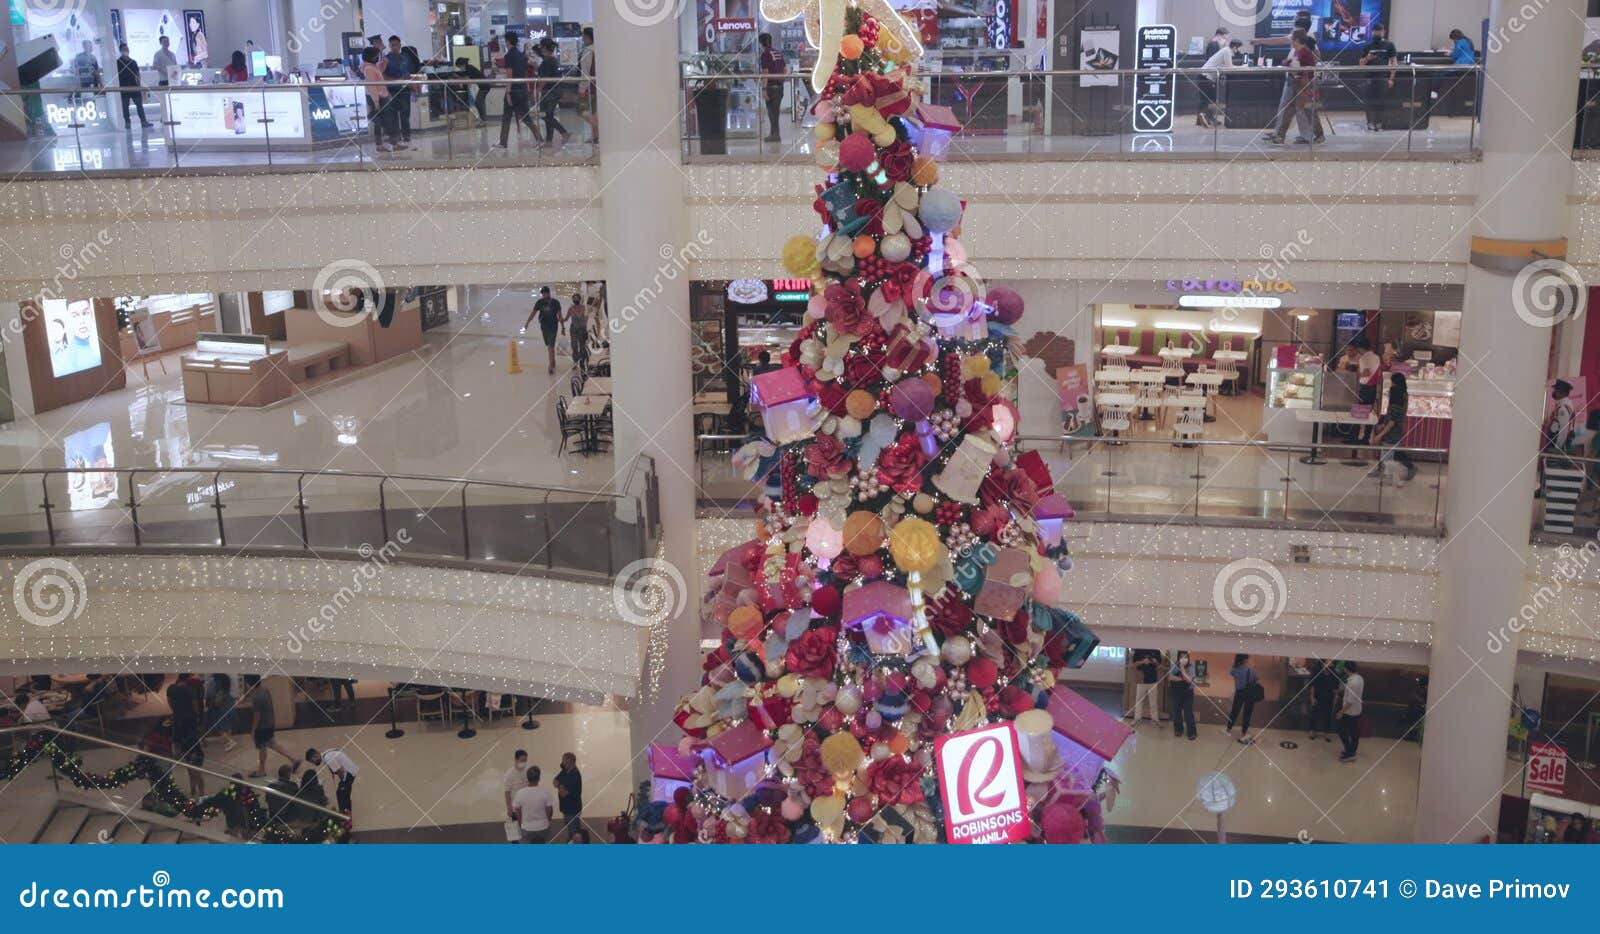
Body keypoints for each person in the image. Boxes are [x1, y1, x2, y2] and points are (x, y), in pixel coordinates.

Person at [1267, 30, 1321, 145]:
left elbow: (1300, 68)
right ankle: (1281, 136)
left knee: (1308, 111)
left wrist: (1289, 64)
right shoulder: (1300, 52)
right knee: (1292, 110)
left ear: (1296, 40)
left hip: (1305, 88)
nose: (1290, 41)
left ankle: (1319, 135)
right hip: (1298, 87)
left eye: (1291, 38)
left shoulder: (1304, 52)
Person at [243, 674, 299, 777]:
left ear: (249, 683)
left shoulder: (256, 697)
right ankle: (293, 759)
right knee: (273, 744)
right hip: (270, 722)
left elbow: (257, 716)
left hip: (262, 726)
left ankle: (261, 770)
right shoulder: (265, 690)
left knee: (262, 747)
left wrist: (253, 730)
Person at [497, 32, 543, 149]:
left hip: (513, 91)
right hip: (522, 88)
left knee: (508, 116)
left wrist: (508, 93)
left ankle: (504, 142)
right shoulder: (521, 55)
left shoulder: (509, 56)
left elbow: (510, 75)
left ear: (507, 41)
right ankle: (503, 142)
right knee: (524, 116)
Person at [1371, 371, 1416, 484]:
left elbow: (1391, 423)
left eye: (1392, 384)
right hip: (1398, 431)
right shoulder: (1404, 396)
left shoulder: (1395, 404)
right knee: (1389, 453)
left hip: (1392, 433)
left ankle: (1394, 475)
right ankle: (1385, 474)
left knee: (1388, 457)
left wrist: (1379, 435)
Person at [166, 673, 205, 796]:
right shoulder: (189, 690)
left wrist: (176, 712)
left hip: (179, 725)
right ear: (186, 679)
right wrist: (198, 717)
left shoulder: (171, 689)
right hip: (190, 727)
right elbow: (195, 706)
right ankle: (201, 792)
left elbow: (170, 703)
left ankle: (193, 789)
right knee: (196, 767)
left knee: (189, 765)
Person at [360, 47, 403, 153]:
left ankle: (387, 144)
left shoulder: (371, 66)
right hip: (379, 97)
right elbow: (372, 86)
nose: (377, 57)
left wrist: (383, 60)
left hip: (381, 96)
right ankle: (388, 144)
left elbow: (379, 70)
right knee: (386, 120)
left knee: (383, 120)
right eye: (376, 55)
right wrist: (376, 101)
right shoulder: (369, 68)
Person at [1359, 23, 1397, 131]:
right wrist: (1367, 58)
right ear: (1372, 32)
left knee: (1382, 101)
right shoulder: (1367, 46)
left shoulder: (1389, 45)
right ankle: (1370, 122)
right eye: (1375, 31)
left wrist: (1391, 78)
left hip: (1383, 77)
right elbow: (1361, 64)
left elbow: (1394, 62)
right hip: (1369, 77)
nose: (1378, 33)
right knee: (1369, 101)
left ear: (1383, 32)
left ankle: (1379, 122)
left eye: (1380, 31)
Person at [1199, 38, 1241, 128]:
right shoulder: (1227, 51)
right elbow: (1230, 67)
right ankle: (1205, 117)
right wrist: (1243, 67)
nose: (1238, 50)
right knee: (1210, 99)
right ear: (1235, 47)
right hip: (1206, 77)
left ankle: (1208, 118)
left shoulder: (1225, 50)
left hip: (1205, 76)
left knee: (1209, 99)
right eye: (1238, 48)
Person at [535, 38, 570, 146]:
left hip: (549, 92)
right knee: (547, 115)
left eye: (541, 46)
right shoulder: (552, 60)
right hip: (554, 91)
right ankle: (549, 140)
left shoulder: (547, 61)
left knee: (546, 115)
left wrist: (537, 91)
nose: (540, 49)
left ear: (544, 47)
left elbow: (544, 79)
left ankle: (563, 133)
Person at [306, 747, 358, 818]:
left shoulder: (327, 758)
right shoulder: (326, 753)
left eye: (313, 761)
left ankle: (346, 815)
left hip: (349, 773)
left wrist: (342, 782)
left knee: (342, 794)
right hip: (351, 769)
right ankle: (346, 812)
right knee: (342, 793)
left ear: (315, 755)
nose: (314, 763)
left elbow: (340, 771)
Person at [523, 286, 564, 373]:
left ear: (549, 293)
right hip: (544, 326)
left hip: (553, 326)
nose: (544, 294)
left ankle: (550, 365)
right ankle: (553, 361)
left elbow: (560, 316)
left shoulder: (555, 302)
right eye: (543, 293)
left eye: (545, 293)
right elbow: (533, 313)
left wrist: (563, 327)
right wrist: (527, 322)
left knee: (550, 345)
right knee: (548, 344)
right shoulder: (539, 302)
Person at [112, 44, 153, 130]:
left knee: (139, 105)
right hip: (123, 88)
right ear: (120, 51)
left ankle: (143, 121)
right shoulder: (117, 63)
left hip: (134, 87)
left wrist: (139, 85)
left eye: (127, 49)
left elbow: (138, 74)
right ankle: (127, 123)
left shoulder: (133, 62)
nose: (126, 50)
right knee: (125, 106)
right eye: (124, 49)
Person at [1224, 653, 1261, 745]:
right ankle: (1244, 732)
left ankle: (1228, 729)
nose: (1249, 660)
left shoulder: (1235, 670)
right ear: (1245, 660)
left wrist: (1235, 664)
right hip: (1249, 693)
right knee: (1247, 713)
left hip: (1239, 693)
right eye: (1248, 659)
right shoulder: (1250, 670)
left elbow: (1230, 672)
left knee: (1235, 711)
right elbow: (1257, 678)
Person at [511, 765, 555, 843]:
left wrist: (521, 823)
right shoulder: (545, 792)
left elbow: (517, 811)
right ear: (539, 778)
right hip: (543, 827)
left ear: (527, 778)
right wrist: (547, 821)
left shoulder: (520, 793)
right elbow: (549, 810)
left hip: (526, 828)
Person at [384, 36, 414, 144]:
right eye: (392, 45)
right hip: (392, 91)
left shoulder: (405, 58)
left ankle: (406, 136)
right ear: (389, 46)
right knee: (393, 116)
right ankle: (395, 137)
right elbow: (383, 76)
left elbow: (408, 73)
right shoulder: (386, 59)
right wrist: (397, 80)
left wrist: (412, 85)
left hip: (405, 91)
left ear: (400, 45)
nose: (395, 47)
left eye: (397, 45)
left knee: (405, 115)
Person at [1353, 336, 1382, 443]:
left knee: (1358, 413)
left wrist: (1356, 374)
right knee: (1369, 413)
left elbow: (1366, 373)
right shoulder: (1376, 357)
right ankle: (1366, 437)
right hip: (1373, 388)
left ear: (1360, 348)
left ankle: (1355, 438)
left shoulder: (1364, 358)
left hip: (1365, 388)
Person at [758, 32, 786, 142]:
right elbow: (785, 69)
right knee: (776, 111)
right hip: (779, 86)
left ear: (761, 42)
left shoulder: (765, 54)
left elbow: (766, 72)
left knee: (772, 112)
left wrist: (764, 89)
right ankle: (773, 133)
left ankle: (775, 135)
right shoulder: (777, 52)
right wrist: (781, 80)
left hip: (770, 86)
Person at [1336, 661, 1365, 762]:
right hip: (1356, 710)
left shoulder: (1353, 683)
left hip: (1350, 712)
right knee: (1354, 732)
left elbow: (1350, 701)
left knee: (1341, 730)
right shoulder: (1359, 678)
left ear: (1346, 669)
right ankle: (1351, 751)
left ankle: (1350, 753)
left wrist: (1341, 712)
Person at [202, 673, 237, 751]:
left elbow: (210, 694)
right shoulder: (226, 678)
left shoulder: (213, 681)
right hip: (228, 701)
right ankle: (228, 741)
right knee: (227, 723)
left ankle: (229, 741)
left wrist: (209, 704)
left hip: (219, 704)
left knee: (217, 724)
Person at [1168, 650, 1197, 740]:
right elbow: (1170, 677)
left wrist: (1182, 667)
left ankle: (1191, 732)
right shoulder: (1174, 665)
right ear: (1178, 657)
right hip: (1177, 692)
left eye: (1185, 657)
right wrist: (1181, 678)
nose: (1183, 659)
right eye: (1181, 657)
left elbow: (1189, 680)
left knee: (1188, 712)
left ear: (1188, 658)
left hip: (1188, 692)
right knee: (1177, 712)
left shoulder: (1191, 666)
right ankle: (1178, 729)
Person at [1127, 649, 1161, 724]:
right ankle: (1137, 718)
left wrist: (1155, 661)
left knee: (1153, 701)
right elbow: (1134, 664)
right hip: (1141, 679)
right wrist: (1143, 661)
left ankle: (1154, 719)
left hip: (1153, 679)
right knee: (1139, 701)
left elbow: (1159, 665)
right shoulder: (1138, 649)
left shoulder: (1156, 650)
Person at [555, 751, 583, 841]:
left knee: (574, 834)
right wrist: (560, 786)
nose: (562, 762)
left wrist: (560, 786)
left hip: (572, 810)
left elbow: (564, 793)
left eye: (563, 760)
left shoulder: (574, 774)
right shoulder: (565, 771)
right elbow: (554, 781)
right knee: (570, 832)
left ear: (570, 761)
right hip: (566, 809)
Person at [1307, 658, 1338, 742]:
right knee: (1314, 714)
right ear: (1323, 664)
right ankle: (1312, 731)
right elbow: (1312, 685)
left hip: (1329, 697)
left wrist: (1335, 702)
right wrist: (1312, 697)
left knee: (1327, 716)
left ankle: (1326, 733)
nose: (1330, 664)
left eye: (1331, 663)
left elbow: (1335, 690)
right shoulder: (1317, 670)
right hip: (1317, 695)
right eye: (1328, 662)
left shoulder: (1334, 673)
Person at [578, 27, 598, 144]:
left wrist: (582, 87)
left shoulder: (587, 51)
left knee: (582, 110)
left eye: (584, 37)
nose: (583, 39)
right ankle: (595, 135)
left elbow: (585, 71)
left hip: (589, 86)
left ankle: (599, 132)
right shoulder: (599, 49)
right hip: (598, 85)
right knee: (594, 112)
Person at [456, 57, 488, 121]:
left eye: (459, 67)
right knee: (479, 102)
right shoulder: (469, 68)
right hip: (483, 86)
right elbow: (465, 76)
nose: (460, 68)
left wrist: (458, 78)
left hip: (485, 86)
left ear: (462, 65)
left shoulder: (469, 68)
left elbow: (467, 78)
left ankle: (483, 119)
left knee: (479, 102)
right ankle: (482, 119)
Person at [563, 292, 589, 370]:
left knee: (582, 347)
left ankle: (582, 362)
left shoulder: (583, 307)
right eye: (574, 299)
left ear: (579, 299)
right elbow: (566, 318)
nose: (575, 300)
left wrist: (573, 309)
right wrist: (560, 319)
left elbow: (579, 315)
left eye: (577, 299)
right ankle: (575, 362)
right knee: (574, 347)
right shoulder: (571, 308)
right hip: (573, 329)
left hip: (582, 329)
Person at [503, 749, 529, 825]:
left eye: (525, 761)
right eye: (522, 760)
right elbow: (507, 792)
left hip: (527, 807)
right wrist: (509, 808)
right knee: (518, 830)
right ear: (516, 760)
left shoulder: (528, 770)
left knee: (527, 829)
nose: (524, 763)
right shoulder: (509, 774)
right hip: (516, 808)